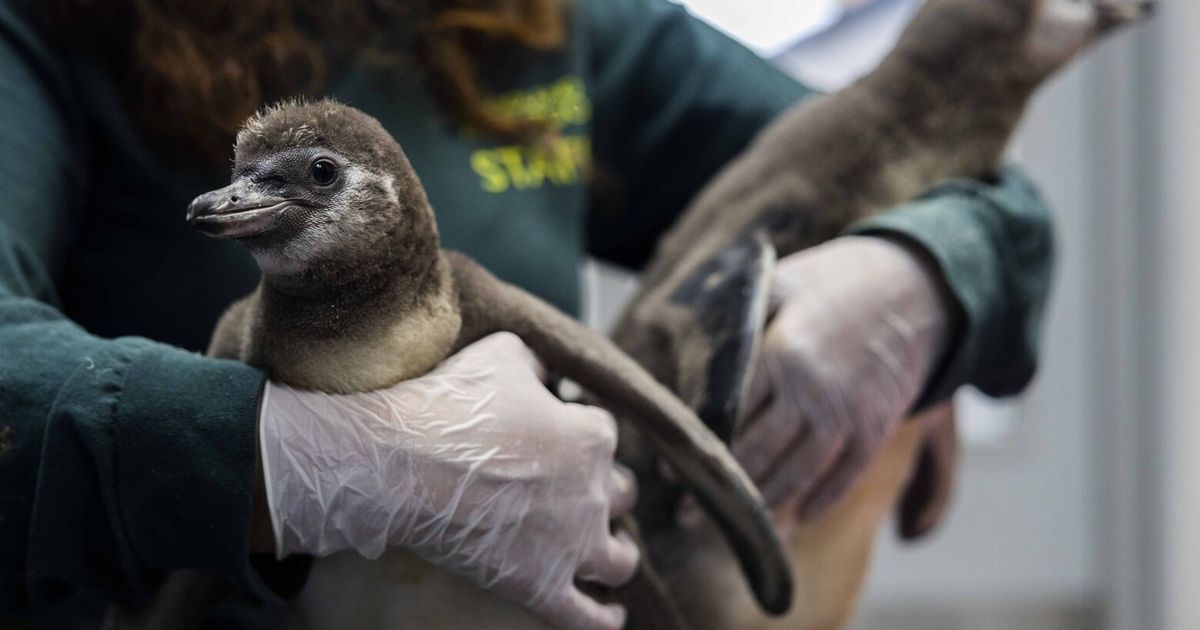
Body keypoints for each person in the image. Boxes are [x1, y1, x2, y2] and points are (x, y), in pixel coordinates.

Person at [0, 0, 1052, 628]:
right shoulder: (50, 32)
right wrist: (294, 461)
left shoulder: (539, 17)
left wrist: (914, 273)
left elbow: (950, 183)